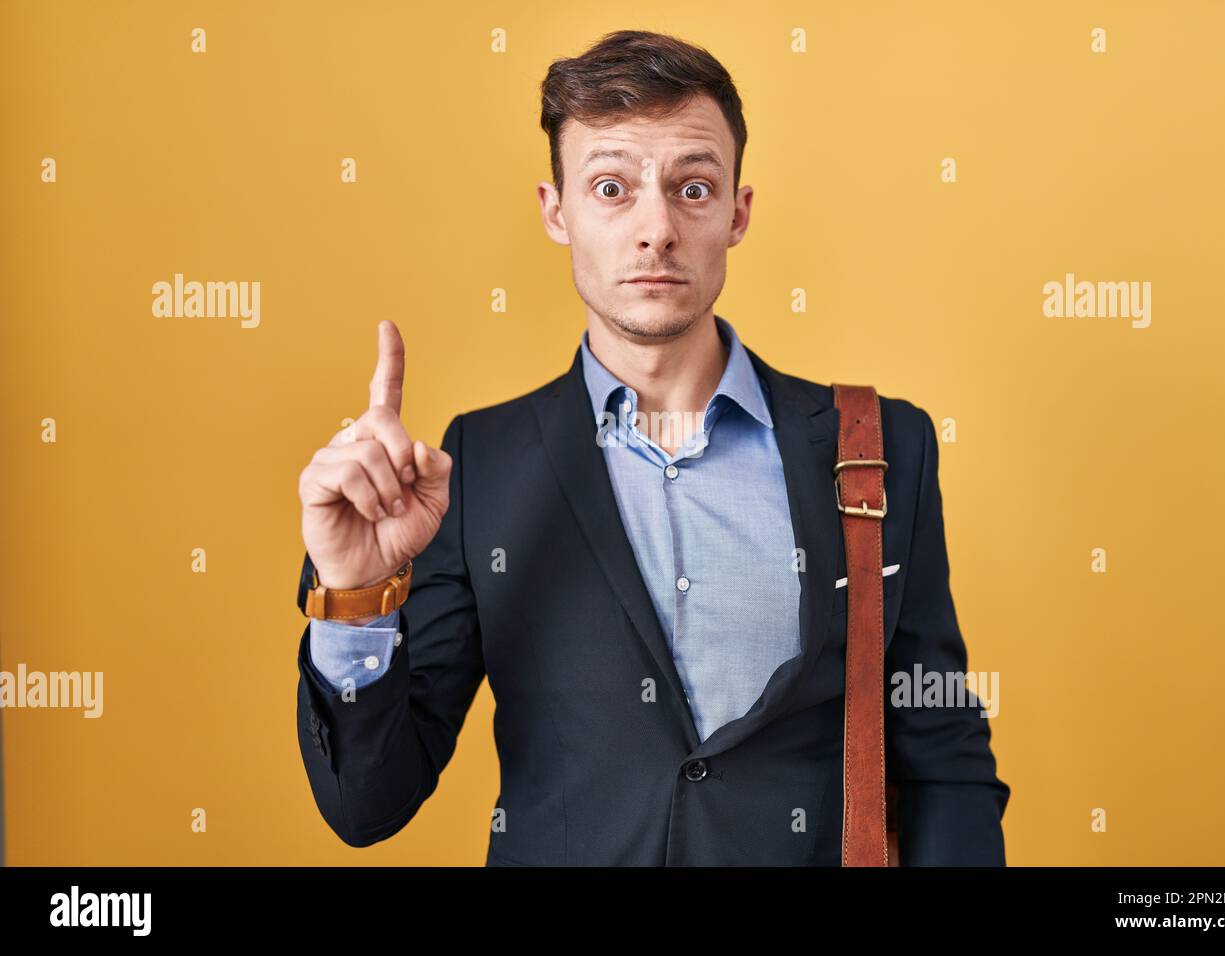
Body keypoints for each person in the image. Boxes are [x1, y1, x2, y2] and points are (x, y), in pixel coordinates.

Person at [293, 29, 1009, 865]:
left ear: (738, 212)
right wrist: (351, 596)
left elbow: (942, 758)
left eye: (693, 188)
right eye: (611, 187)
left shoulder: (881, 446)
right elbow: (365, 804)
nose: (656, 229)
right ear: (555, 211)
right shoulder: (476, 467)